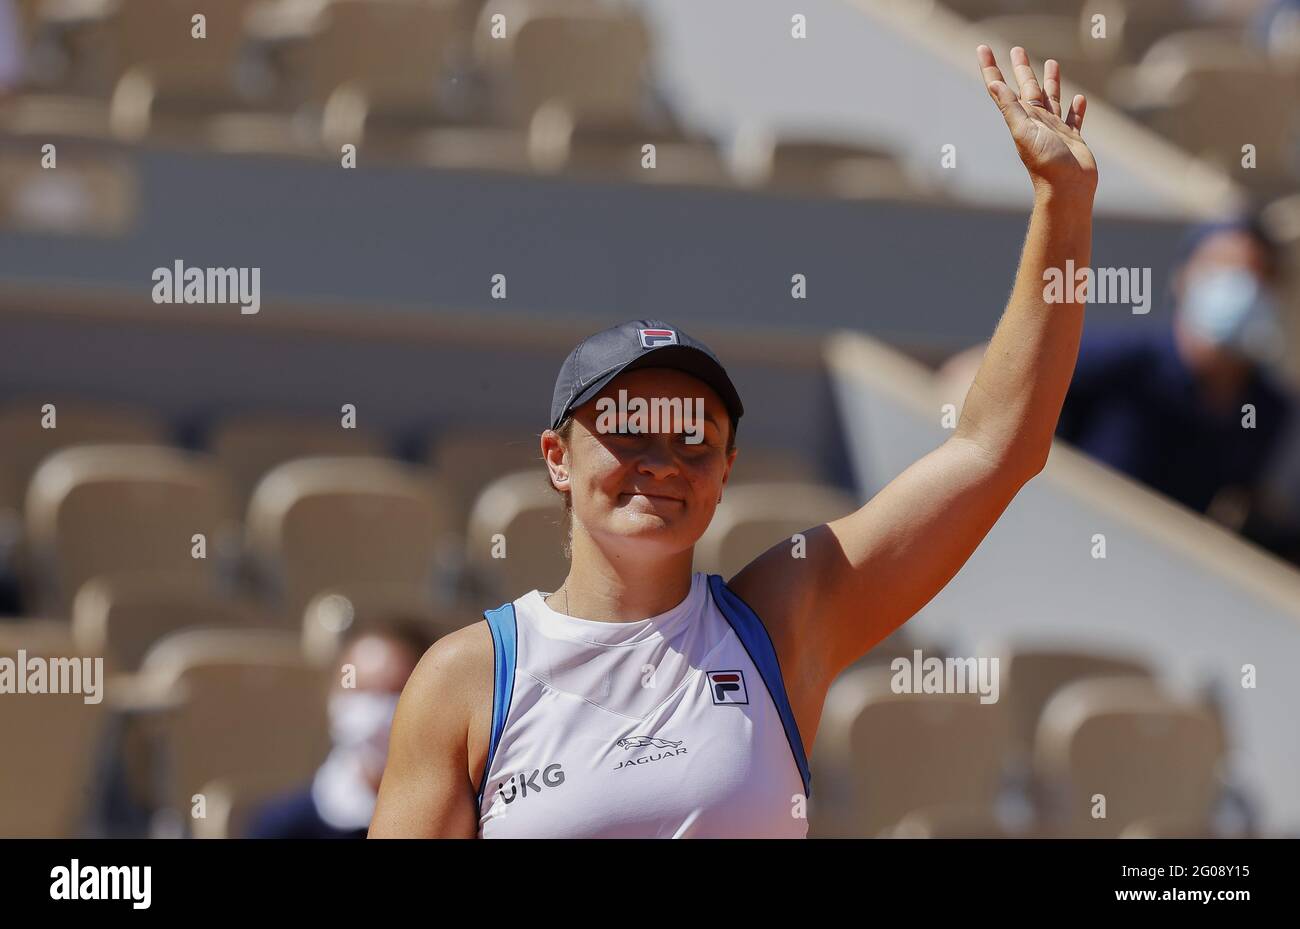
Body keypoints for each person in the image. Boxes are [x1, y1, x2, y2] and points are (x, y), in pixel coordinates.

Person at [369, 47, 1099, 838]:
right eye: (626, 430)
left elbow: (997, 447)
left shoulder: (783, 616)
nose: (662, 462)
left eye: (695, 438)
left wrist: (1063, 202)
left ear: (726, 472)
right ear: (557, 458)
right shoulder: (467, 677)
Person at [942, 216, 1295, 528]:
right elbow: (977, 371)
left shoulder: (1267, 409)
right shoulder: (1129, 356)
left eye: (1254, 275)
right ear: (1183, 277)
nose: (1239, 287)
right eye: (1221, 268)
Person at [248, 621, 433, 839]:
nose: (374, 711)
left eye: (394, 694)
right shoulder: (284, 825)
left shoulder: (460, 817)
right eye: (361, 690)